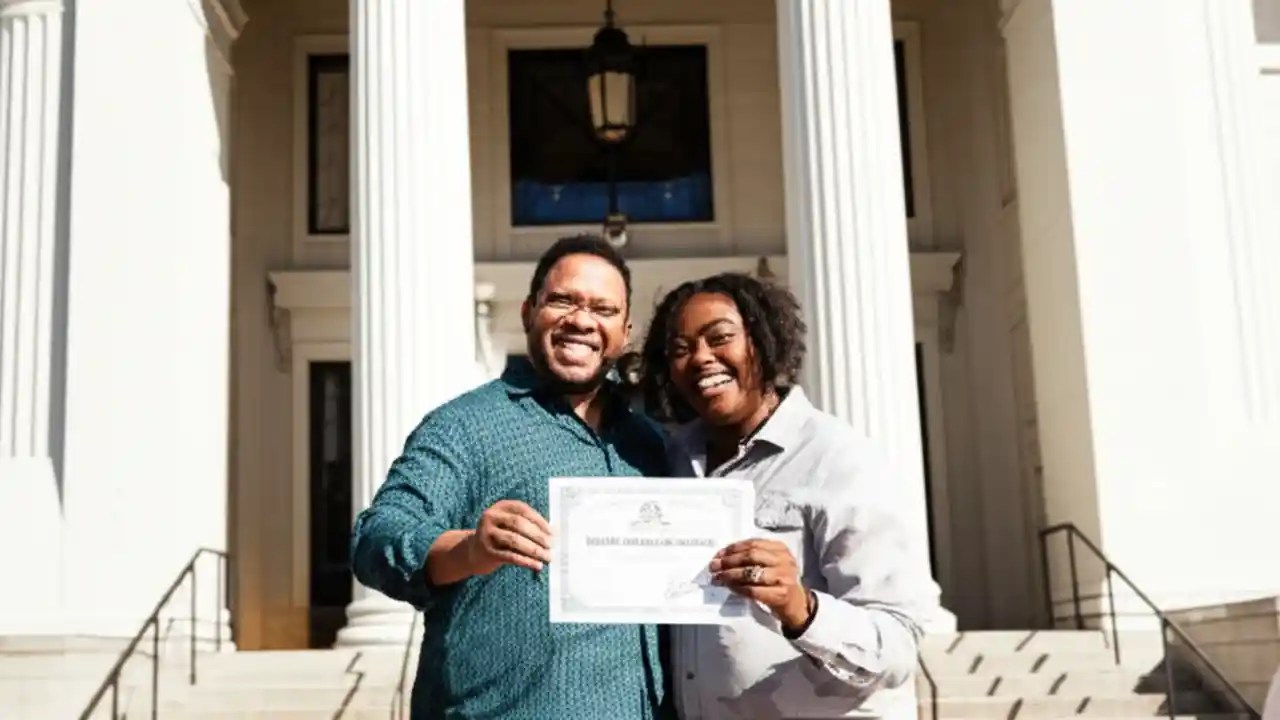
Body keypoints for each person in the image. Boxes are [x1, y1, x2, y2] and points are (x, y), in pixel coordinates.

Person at [351, 235, 670, 720]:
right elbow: (375, 539)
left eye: (602, 309)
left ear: (624, 333)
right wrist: (469, 550)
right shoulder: (463, 425)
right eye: (563, 300)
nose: (581, 320)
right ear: (528, 311)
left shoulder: (651, 443)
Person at [640, 272, 941, 720]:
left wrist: (800, 606)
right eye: (680, 350)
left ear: (763, 341)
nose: (700, 358)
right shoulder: (673, 459)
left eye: (720, 337)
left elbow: (898, 642)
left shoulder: (838, 457)